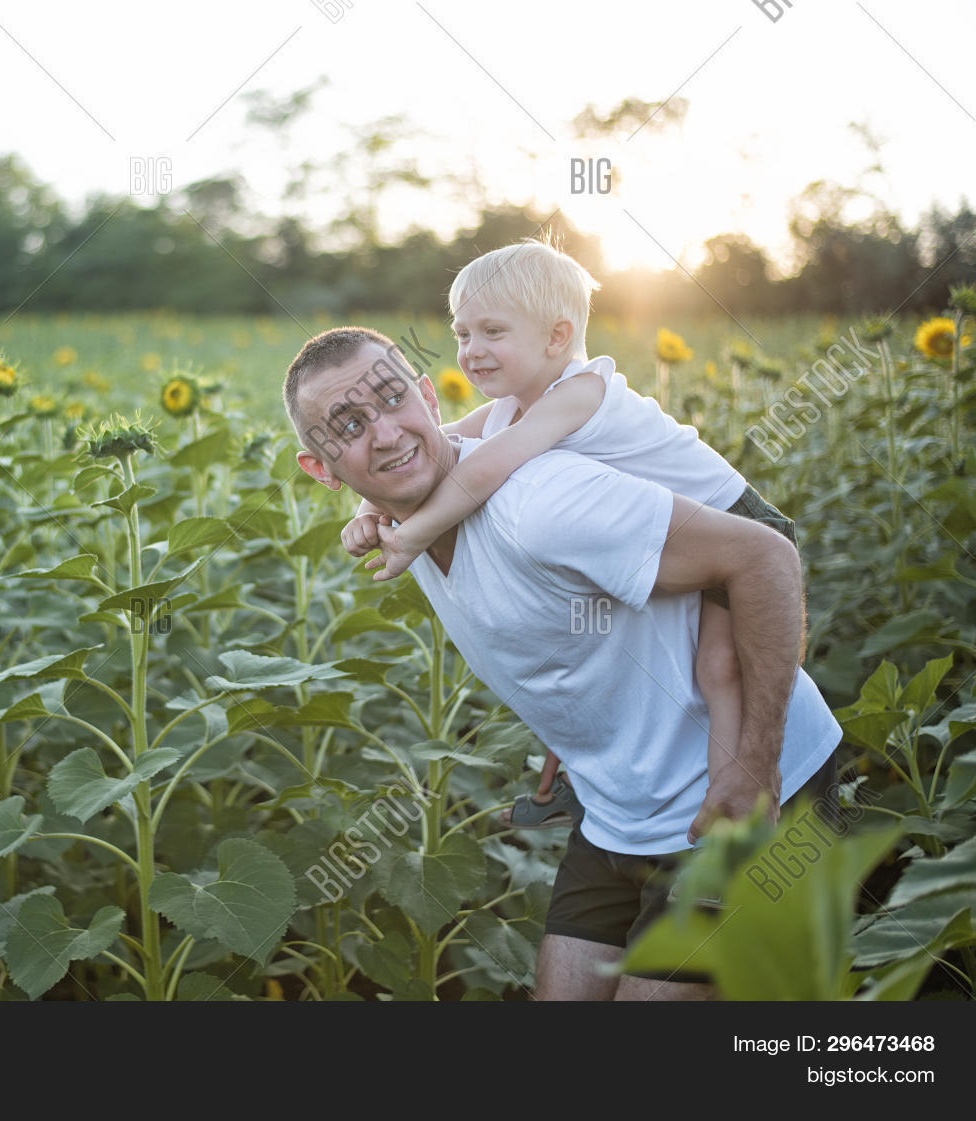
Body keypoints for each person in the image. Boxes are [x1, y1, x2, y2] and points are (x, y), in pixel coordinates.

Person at [284, 326, 841, 998]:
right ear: (320, 467)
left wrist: (757, 759)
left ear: (429, 398)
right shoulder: (404, 523)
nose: (387, 433)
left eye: (394, 398)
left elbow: (766, 557)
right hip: (620, 809)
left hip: (743, 791)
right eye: (348, 424)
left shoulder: (538, 503)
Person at [340, 240, 796, 836]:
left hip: (742, 521)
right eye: (461, 334)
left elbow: (480, 470)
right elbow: (427, 439)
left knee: (716, 667)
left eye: (492, 331)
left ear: (557, 337)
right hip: (676, 529)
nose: (470, 351)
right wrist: (368, 502)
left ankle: (732, 813)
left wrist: (413, 534)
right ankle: (581, 787)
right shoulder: (510, 407)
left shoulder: (580, 393)